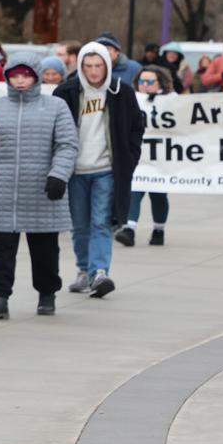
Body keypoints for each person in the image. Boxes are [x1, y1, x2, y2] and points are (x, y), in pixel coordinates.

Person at [0, 54, 75, 319]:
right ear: (6, 76)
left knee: (45, 249)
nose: (20, 79)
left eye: (26, 74)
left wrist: (59, 175)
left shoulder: (56, 107)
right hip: (4, 190)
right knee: (1, 250)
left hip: (42, 189)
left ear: (36, 76)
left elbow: (67, 144)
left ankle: (47, 293)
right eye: (15, 74)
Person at [53, 42, 144, 299]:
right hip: (75, 170)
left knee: (101, 222)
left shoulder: (121, 92)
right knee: (79, 224)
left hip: (106, 169)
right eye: (88, 66)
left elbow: (137, 127)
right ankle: (83, 270)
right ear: (80, 66)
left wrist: (129, 159)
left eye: (98, 65)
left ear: (107, 65)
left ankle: (99, 272)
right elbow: (54, 129)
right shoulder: (66, 92)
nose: (94, 71)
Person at [117, 65, 172, 248]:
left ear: (160, 83)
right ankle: (129, 229)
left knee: (158, 195)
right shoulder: (131, 98)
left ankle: (159, 230)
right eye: (142, 81)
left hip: (161, 157)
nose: (145, 85)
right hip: (139, 155)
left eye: (150, 82)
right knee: (134, 190)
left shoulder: (172, 100)